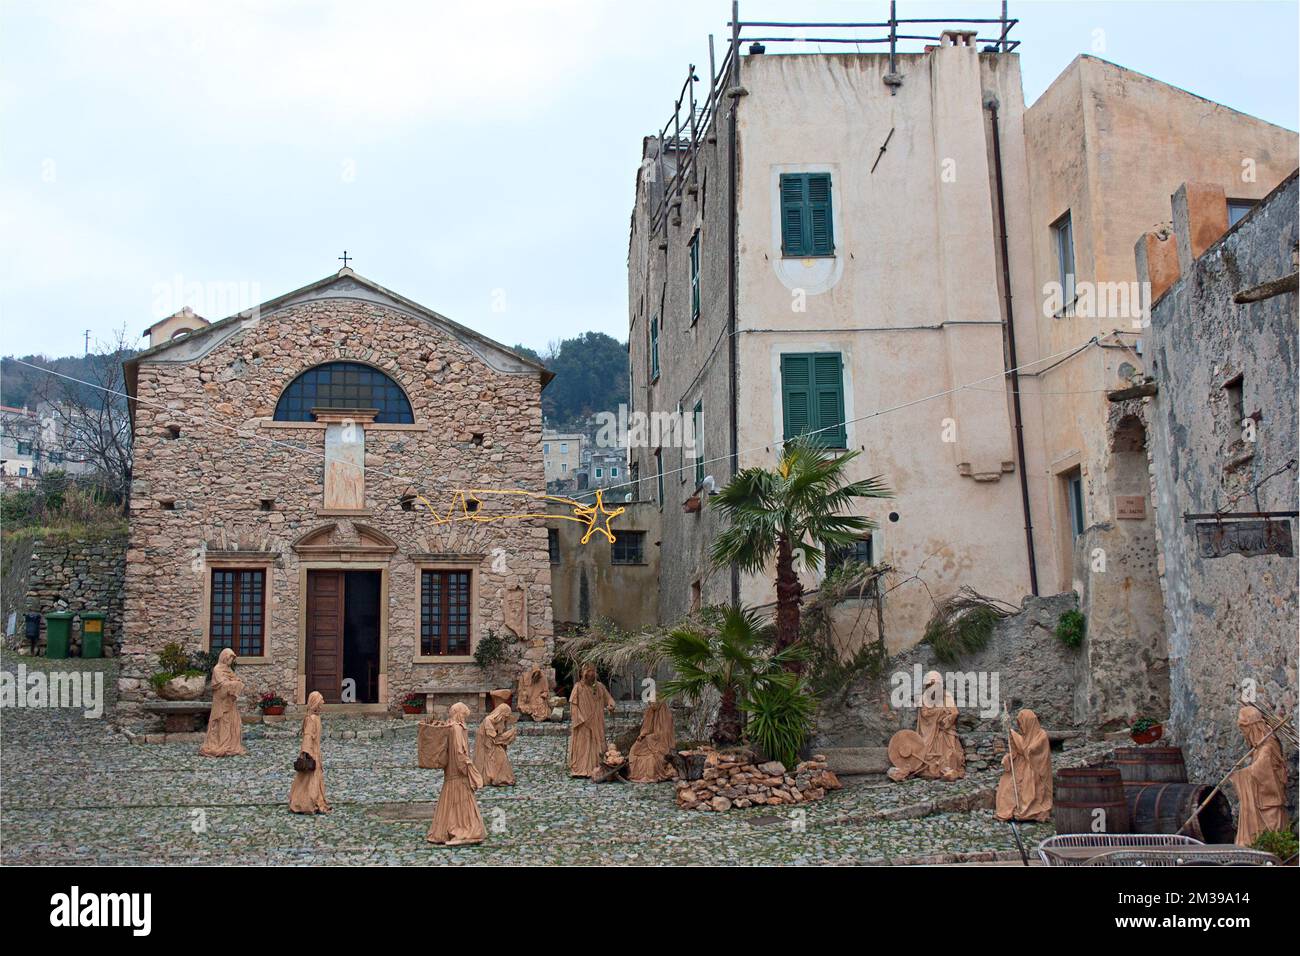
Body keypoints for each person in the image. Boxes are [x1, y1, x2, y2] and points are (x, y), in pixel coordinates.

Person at [886, 671, 965, 781]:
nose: (933, 687)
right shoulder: (924, 697)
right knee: (924, 749)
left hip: (945, 730)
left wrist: (946, 719)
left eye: (935, 685)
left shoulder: (946, 695)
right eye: (930, 685)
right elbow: (925, 714)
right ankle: (929, 769)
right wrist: (942, 711)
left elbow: (954, 712)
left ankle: (948, 769)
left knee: (951, 751)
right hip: (929, 729)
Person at [428, 702, 487, 846]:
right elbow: (460, 752)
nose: (465, 719)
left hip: (450, 771)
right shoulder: (457, 729)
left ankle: (444, 830)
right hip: (457, 772)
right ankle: (462, 829)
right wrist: (468, 767)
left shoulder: (449, 726)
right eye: (465, 715)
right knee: (461, 799)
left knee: (450, 798)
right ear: (460, 714)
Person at [1230, 705, 1289, 847]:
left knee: (1271, 830)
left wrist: (1239, 775)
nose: (1244, 734)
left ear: (1252, 727)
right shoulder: (1260, 746)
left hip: (1268, 799)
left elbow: (1260, 770)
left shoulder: (1268, 746)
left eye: (1245, 730)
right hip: (1261, 799)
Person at [995, 708, 1052, 822]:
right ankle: (1010, 810)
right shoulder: (1024, 736)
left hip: (1035, 769)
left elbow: (1030, 752)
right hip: (1020, 766)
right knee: (1007, 785)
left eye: (1021, 723)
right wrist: (1009, 757)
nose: (1020, 726)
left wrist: (1014, 735)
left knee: (1028, 784)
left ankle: (1028, 812)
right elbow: (1017, 751)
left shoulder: (1041, 735)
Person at [568, 664, 615, 777]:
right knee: (583, 746)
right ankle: (582, 768)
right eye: (588, 674)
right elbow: (573, 706)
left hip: (597, 722)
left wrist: (611, 705)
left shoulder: (599, 687)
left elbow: (609, 699)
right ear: (583, 675)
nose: (591, 676)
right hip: (583, 723)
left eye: (593, 673)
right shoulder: (578, 688)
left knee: (597, 745)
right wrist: (580, 720)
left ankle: (597, 767)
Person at [199, 647, 247, 757]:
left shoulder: (229, 670)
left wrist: (236, 682)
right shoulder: (217, 670)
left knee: (232, 722)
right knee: (223, 723)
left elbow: (235, 679)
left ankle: (231, 744)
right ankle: (221, 744)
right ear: (225, 658)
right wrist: (233, 684)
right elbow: (221, 685)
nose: (231, 661)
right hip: (221, 702)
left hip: (230, 702)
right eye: (230, 658)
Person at [289, 691, 330, 813]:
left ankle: (315, 799)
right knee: (308, 779)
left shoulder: (316, 718)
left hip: (316, 751)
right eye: (321, 700)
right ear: (315, 702)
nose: (323, 702)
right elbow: (307, 736)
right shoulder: (311, 719)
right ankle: (306, 802)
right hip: (312, 752)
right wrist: (306, 752)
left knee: (312, 778)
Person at [628, 699, 675, 782]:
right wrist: (642, 734)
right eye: (650, 703)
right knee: (635, 749)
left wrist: (651, 737)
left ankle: (650, 774)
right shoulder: (650, 711)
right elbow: (647, 727)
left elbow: (665, 733)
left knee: (651, 759)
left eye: (653, 703)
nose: (651, 705)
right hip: (650, 740)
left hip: (660, 743)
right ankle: (636, 772)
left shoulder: (666, 715)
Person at [474, 702, 518, 786]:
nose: (505, 719)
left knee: (501, 756)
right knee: (500, 756)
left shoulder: (501, 721)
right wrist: (507, 735)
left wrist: (508, 735)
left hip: (493, 743)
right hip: (487, 744)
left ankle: (500, 777)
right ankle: (495, 777)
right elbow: (493, 738)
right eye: (505, 716)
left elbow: (499, 736)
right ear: (501, 713)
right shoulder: (488, 720)